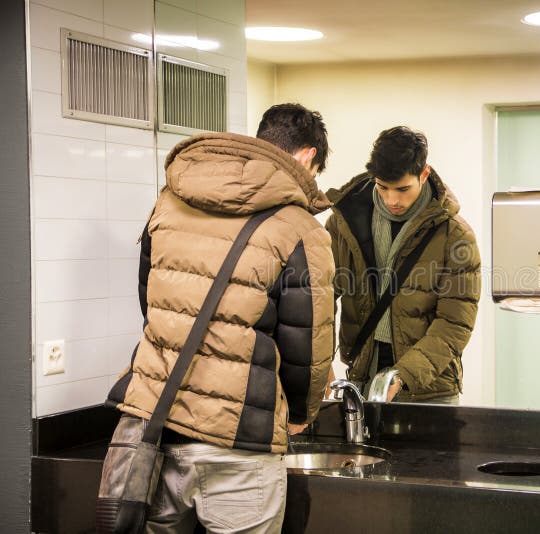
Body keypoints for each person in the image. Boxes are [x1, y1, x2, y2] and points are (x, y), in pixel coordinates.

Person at [105, 103, 335, 533]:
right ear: (306, 157)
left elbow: (150, 303)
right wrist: (302, 411)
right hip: (240, 444)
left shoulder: (169, 204)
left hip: (157, 428)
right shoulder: (300, 228)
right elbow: (308, 344)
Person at [325, 126, 481, 404]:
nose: (392, 200)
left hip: (429, 388)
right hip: (362, 376)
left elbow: (455, 322)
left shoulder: (455, 235)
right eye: (382, 187)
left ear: (424, 174)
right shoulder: (345, 221)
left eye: (402, 189)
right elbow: (323, 297)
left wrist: (404, 374)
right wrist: (320, 365)